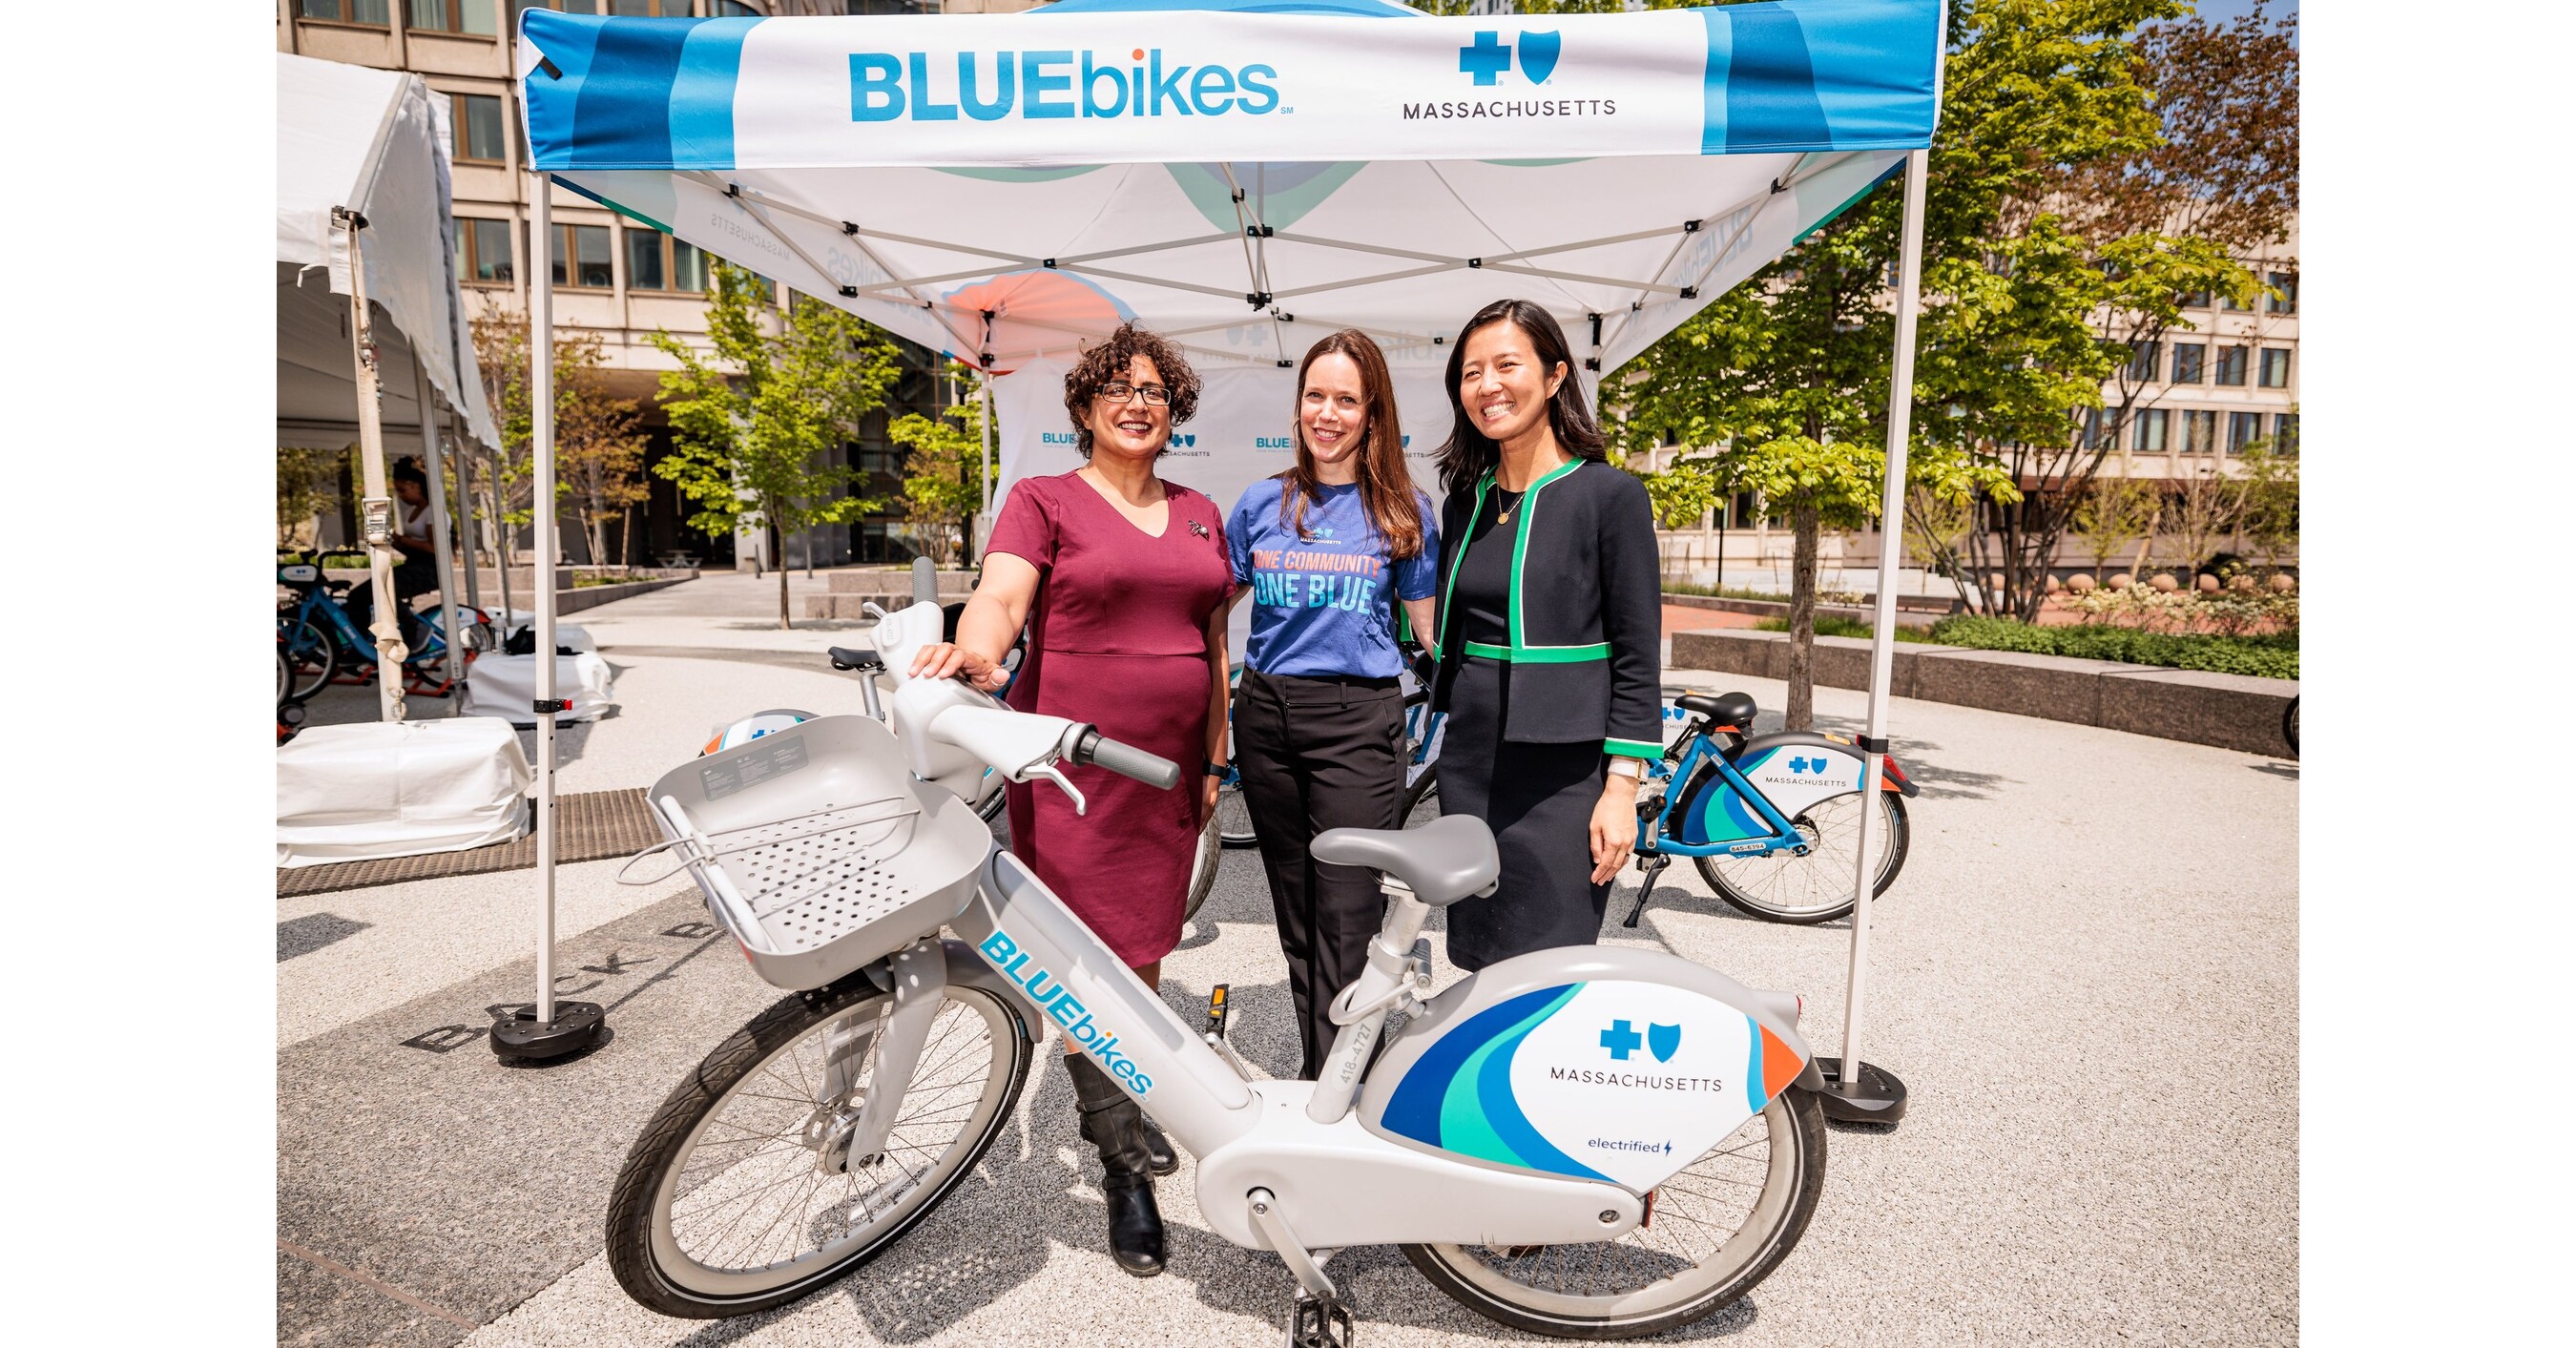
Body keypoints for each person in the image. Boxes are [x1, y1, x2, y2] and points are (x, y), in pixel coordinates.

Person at [907, 322, 1231, 1279]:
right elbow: (1002, 598)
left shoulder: (1201, 511)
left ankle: (1128, 1096)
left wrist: (1214, 758)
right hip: (1073, 773)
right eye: (1117, 388)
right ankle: (1122, 1164)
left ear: (1175, 411)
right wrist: (976, 651)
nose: (1138, 403)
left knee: (1146, 953)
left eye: (1155, 391)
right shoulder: (1043, 499)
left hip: (1166, 776)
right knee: (1090, 968)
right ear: (1086, 407)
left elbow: (1213, 645)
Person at [1224, 330, 1439, 1082]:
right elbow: (1209, 608)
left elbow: (1429, 631)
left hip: (1357, 723)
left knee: (1349, 921)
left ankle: (1351, 1088)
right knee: (1297, 914)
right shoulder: (1261, 503)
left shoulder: (1405, 511)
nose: (1328, 412)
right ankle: (1324, 1079)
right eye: (1316, 395)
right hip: (1266, 716)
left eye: (1346, 399)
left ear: (1372, 413)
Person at [1426, 300, 1663, 972]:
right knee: (1478, 956)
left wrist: (1622, 788)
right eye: (1472, 372)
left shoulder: (1611, 496)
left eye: (1507, 365)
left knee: (1550, 963)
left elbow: (1638, 654)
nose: (1488, 385)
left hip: (1567, 775)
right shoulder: (1464, 502)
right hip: (1470, 763)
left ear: (1556, 375)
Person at [344, 457, 443, 649]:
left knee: (384, 589)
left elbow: (434, 548)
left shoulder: (433, 512)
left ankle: (413, 630)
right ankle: (360, 642)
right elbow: (410, 547)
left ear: (416, 486)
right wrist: (388, 538)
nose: (400, 496)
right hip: (413, 564)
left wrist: (400, 538)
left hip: (429, 570)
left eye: (402, 490)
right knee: (360, 594)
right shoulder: (410, 513)